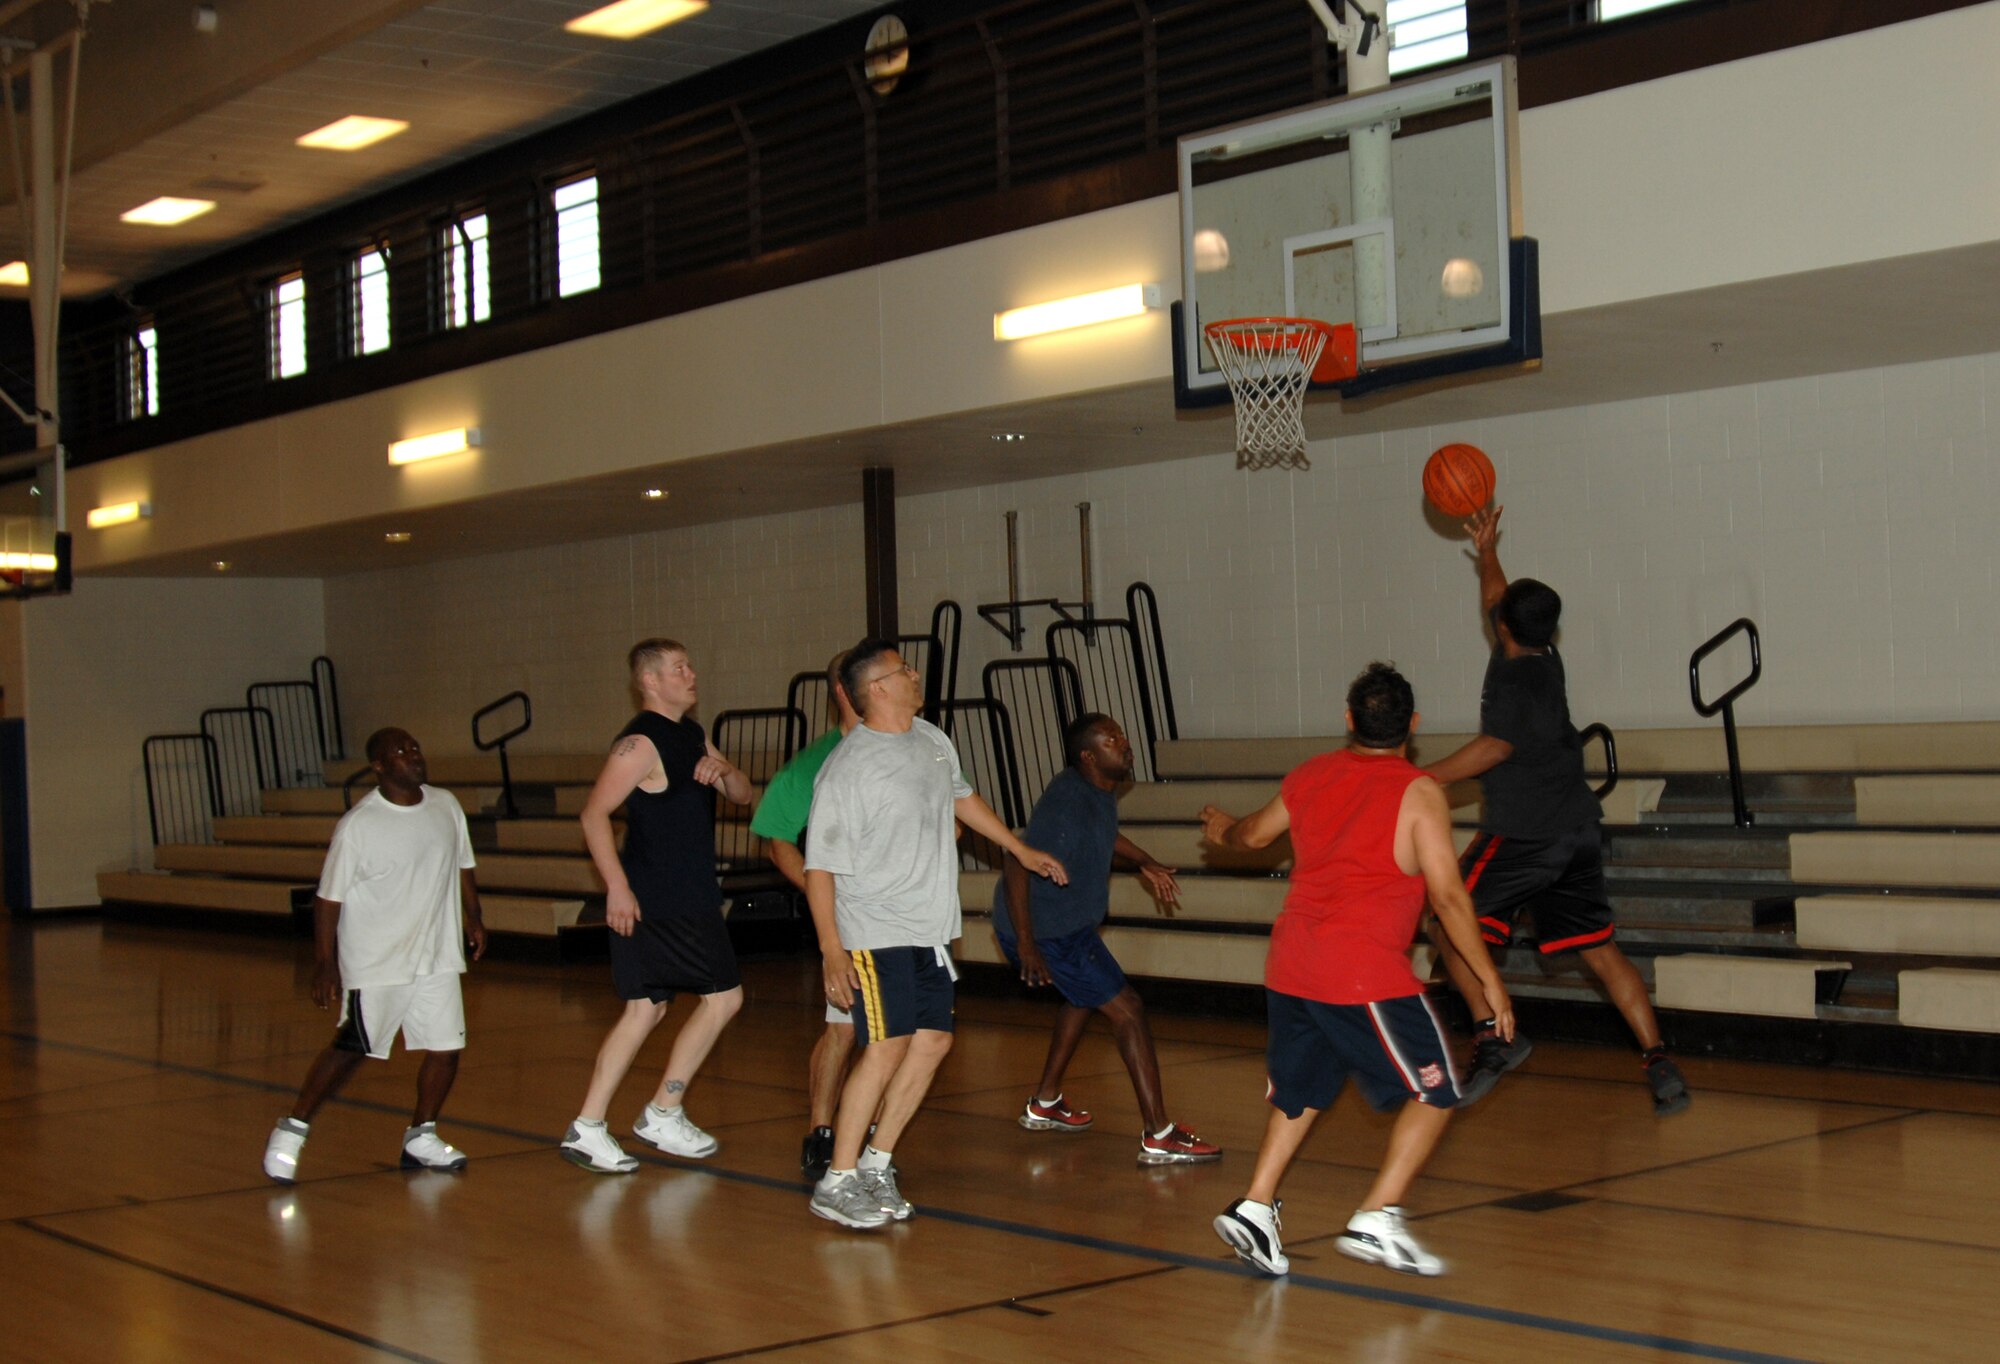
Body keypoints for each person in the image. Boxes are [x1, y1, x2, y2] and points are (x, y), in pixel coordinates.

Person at [1202, 663, 1513, 1278]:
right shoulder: (1418, 791)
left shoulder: (1311, 775)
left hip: (1293, 967)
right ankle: (1378, 1215)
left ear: (1349, 721)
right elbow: (1449, 899)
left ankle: (1256, 1206)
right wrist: (1488, 979)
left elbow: (1254, 835)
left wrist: (1224, 829)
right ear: (1413, 726)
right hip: (1362, 973)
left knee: (1303, 1090)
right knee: (1437, 1089)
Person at [1424, 506, 1690, 1116]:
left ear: (1504, 628)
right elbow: (1497, 592)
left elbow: (1491, 750)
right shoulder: (1543, 655)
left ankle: (1494, 1039)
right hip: (1577, 830)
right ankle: (1659, 1058)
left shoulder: (1518, 686)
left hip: (1523, 835)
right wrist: (1486, 550)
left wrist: (1417, 776)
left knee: (1445, 924)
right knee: (1600, 951)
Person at [804, 638, 1068, 1230]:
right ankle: (838, 1179)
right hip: (873, 928)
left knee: (933, 1042)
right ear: (878, 689)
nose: (915, 674)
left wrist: (1019, 849)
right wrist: (830, 949)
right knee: (887, 1045)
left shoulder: (932, 740)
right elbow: (818, 866)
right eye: (904, 669)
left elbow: (964, 800)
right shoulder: (847, 768)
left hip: (929, 928)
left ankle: (876, 1162)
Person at [560, 638, 754, 1174]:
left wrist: (725, 771)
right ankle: (661, 1110)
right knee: (723, 999)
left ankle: (591, 1126)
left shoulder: (691, 733)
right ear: (649, 681)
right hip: (663, 898)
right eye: (678, 668)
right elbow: (593, 815)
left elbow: (742, 794)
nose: (691, 674)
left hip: (687, 892)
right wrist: (617, 888)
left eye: (690, 665)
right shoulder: (640, 744)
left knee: (647, 1007)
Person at [263, 727, 486, 1183]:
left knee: (446, 1049)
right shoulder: (359, 826)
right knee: (352, 1048)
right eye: (401, 751)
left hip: (437, 954)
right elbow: (328, 900)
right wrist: (324, 963)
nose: (413, 755)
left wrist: (474, 917)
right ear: (380, 767)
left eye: (416, 746)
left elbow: (463, 863)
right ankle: (293, 1127)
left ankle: (421, 1136)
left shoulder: (445, 805)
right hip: (379, 961)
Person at [998, 712, 1221, 1165]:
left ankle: (1045, 1102)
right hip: (1049, 932)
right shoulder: (1067, 801)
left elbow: (1107, 836)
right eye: (1111, 740)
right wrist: (1027, 943)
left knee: (1083, 1000)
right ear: (1088, 756)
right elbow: (1015, 861)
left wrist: (1145, 862)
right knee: (1129, 1010)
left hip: (1068, 927)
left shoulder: (1097, 792)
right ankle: (1159, 1133)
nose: (1124, 744)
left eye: (1121, 735)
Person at [750, 650, 861, 1181]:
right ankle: (822, 1134)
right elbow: (777, 840)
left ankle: (872, 1146)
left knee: (913, 1039)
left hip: (909, 918)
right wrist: (828, 896)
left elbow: (955, 819)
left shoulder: (922, 746)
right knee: (843, 1030)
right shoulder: (815, 764)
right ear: (846, 688)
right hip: (852, 922)